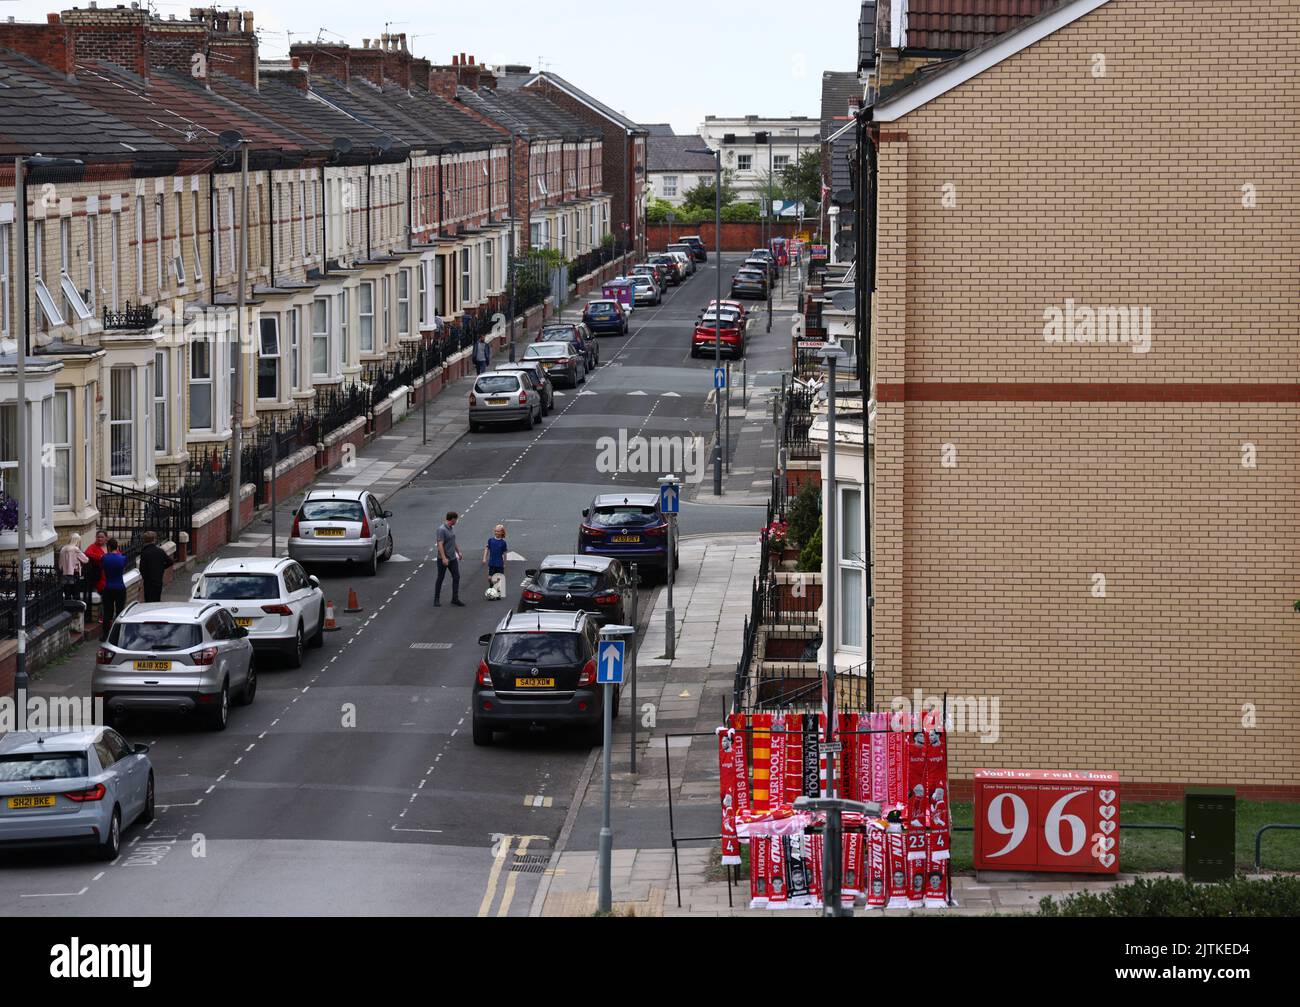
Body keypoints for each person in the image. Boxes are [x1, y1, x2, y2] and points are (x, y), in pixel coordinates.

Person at [99, 538, 132, 642]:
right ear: (117, 547)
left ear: (108, 547)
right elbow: (124, 568)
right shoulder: (122, 558)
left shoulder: (104, 558)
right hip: (120, 587)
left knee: (107, 612)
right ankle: (118, 635)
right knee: (120, 611)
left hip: (108, 587)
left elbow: (102, 568)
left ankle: (105, 635)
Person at [434, 511, 464, 607]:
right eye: (456, 519)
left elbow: (453, 541)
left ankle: (455, 598)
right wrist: (443, 558)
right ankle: (436, 599)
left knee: (456, 576)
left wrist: (458, 552)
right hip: (443, 559)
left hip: (452, 558)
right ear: (452, 519)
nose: (457, 521)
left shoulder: (451, 528)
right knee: (440, 578)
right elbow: (440, 545)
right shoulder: (441, 530)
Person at [138, 530, 173, 603]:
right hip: (158, 580)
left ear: (145, 540)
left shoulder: (144, 552)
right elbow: (170, 562)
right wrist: (162, 568)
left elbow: (142, 568)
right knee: (157, 600)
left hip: (148, 582)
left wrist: (145, 577)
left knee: (148, 601)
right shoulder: (160, 551)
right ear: (154, 540)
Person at [58, 533, 89, 602]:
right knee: (76, 594)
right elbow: (86, 560)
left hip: (65, 574)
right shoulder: (75, 549)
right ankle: (75, 610)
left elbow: (60, 563)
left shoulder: (63, 549)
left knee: (67, 594)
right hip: (74, 573)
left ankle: (67, 609)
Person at [84, 530, 108, 616]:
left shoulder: (109, 547)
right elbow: (87, 553)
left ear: (106, 538)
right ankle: (102, 615)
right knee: (103, 595)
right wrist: (100, 557)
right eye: (98, 537)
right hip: (100, 575)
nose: (99, 539)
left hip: (110, 575)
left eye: (102, 537)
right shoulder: (93, 546)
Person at [483, 524, 508, 595]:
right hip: (492, 563)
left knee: (499, 578)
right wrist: (484, 558)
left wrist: (504, 563)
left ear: (502, 532)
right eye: (495, 531)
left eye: (498, 531)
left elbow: (504, 553)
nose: (496, 533)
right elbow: (487, 549)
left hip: (499, 563)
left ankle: (496, 592)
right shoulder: (490, 540)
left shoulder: (503, 542)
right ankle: (492, 588)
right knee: (490, 578)